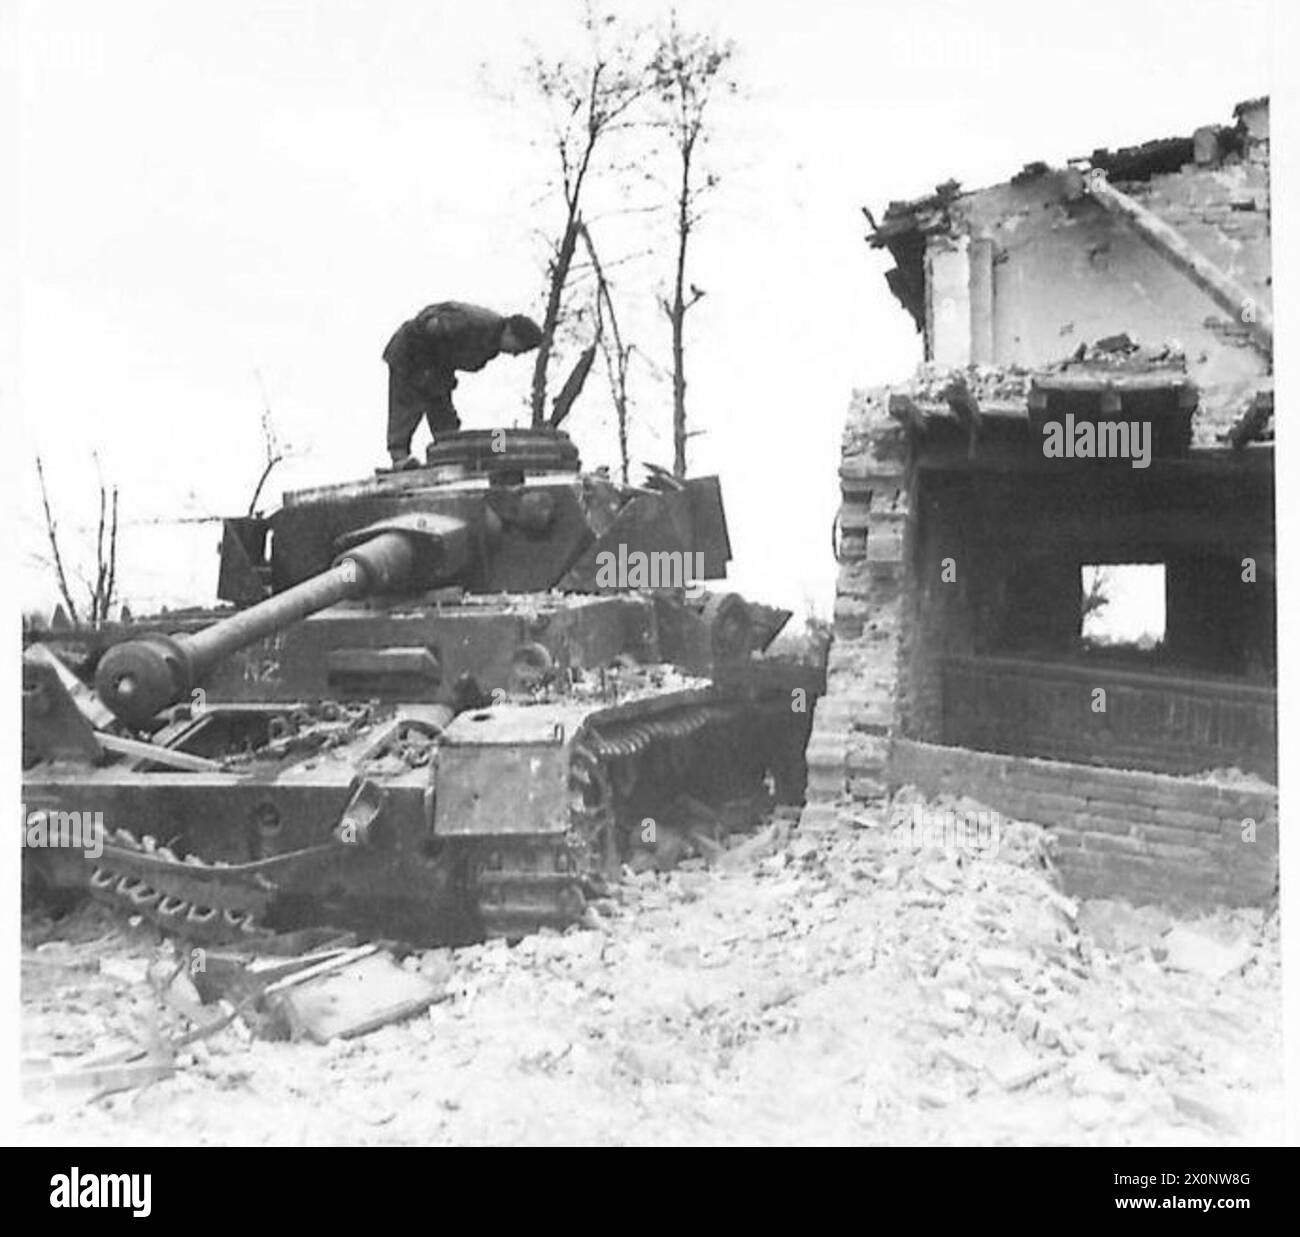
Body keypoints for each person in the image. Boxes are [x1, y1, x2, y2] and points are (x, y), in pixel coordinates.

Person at [382, 302, 543, 469]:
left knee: (443, 412)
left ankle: (449, 451)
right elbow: (428, 324)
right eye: (518, 348)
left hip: (438, 367)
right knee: (407, 404)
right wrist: (426, 366)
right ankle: (399, 456)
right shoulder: (476, 322)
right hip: (411, 354)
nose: (515, 355)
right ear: (511, 333)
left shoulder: (492, 341)